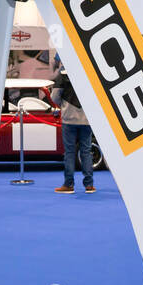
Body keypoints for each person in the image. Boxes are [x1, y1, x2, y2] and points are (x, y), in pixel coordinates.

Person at [48, 59, 94, 194]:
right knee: (86, 151)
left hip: (69, 118)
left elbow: (55, 96)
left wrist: (62, 106)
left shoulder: (63, 75)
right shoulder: (89, 74)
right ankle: (89, 185)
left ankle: (68, 184)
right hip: (87, 119)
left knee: (69, 152)